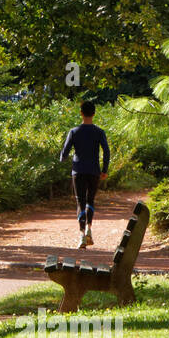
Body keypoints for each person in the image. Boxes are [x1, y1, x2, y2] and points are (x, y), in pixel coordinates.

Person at [59, 100, 110, 248]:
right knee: (90, 200)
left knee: (80, 201)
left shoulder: (74, 132)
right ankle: (89, 227)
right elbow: (106, 150)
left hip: (78, 170)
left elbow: (65, 152)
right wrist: (104, 169)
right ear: (94, 113)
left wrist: (62, 158)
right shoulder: (99, 132)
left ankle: (82, 235)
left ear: (81, 113)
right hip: (94, 170)